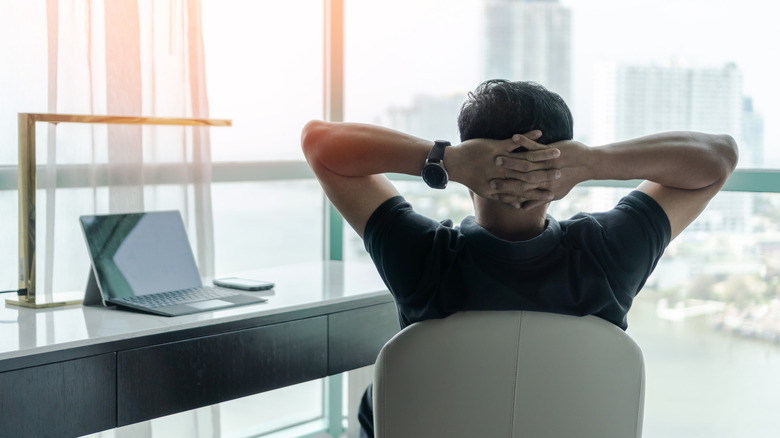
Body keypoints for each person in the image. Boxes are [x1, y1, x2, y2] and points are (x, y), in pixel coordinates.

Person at [300, 79, 738, 437]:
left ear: (470, 168)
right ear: (562, 164)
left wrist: (444, 159)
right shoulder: (609, 252)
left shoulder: (422, 255)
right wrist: (592, 162)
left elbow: (319, 143)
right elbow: (719, 157)